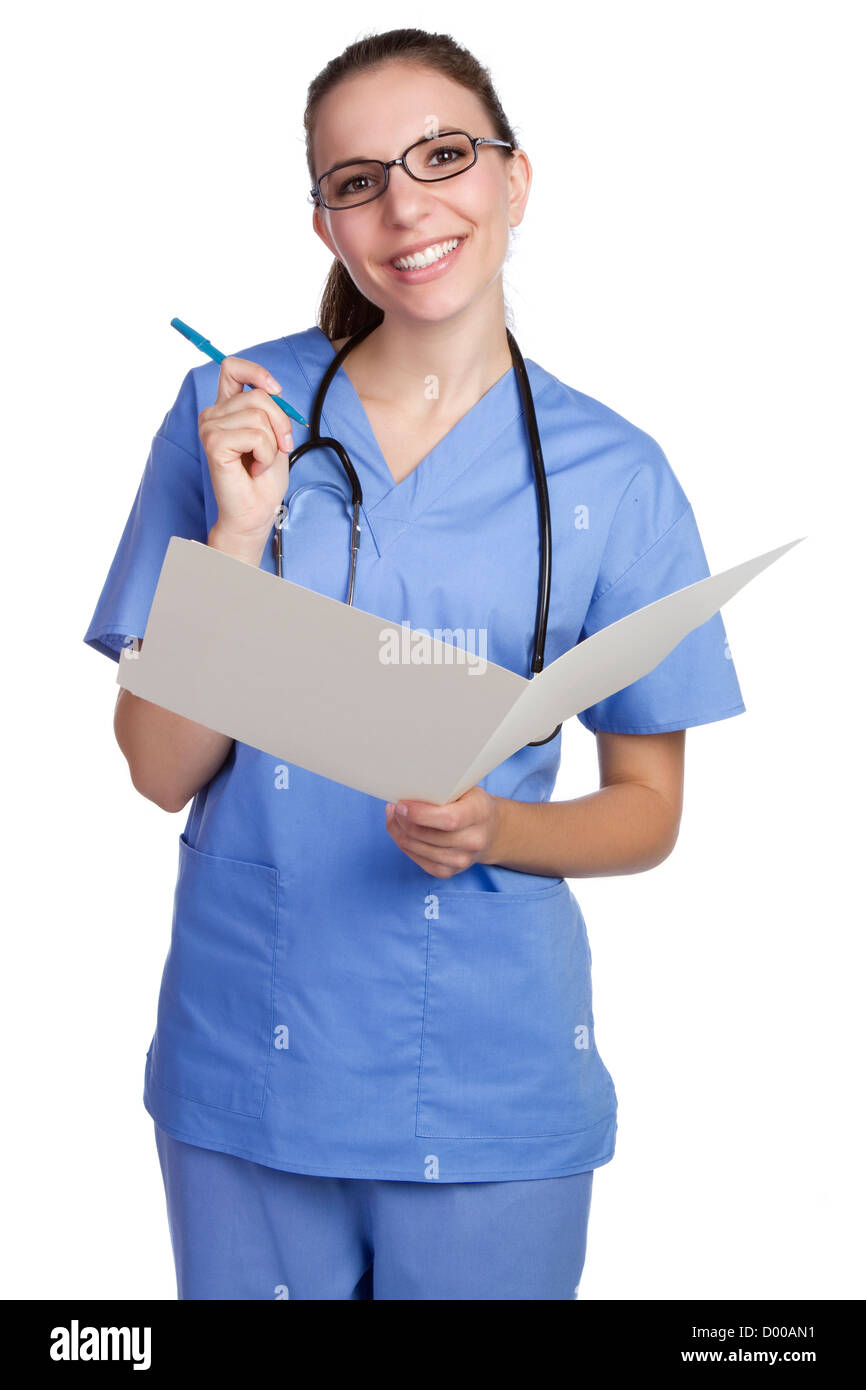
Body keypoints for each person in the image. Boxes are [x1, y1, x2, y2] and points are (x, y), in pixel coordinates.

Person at [83, 28, 746, 1301]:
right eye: (356, 179)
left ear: (513, 178)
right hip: (248, 1061)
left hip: (493, 1081)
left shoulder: (620, 477)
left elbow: (648, 814)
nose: (404, 204)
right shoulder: (234, 413)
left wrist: (497, 826)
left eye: (441, 155)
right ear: (326, 225)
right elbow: (159, 771)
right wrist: (231, 535)